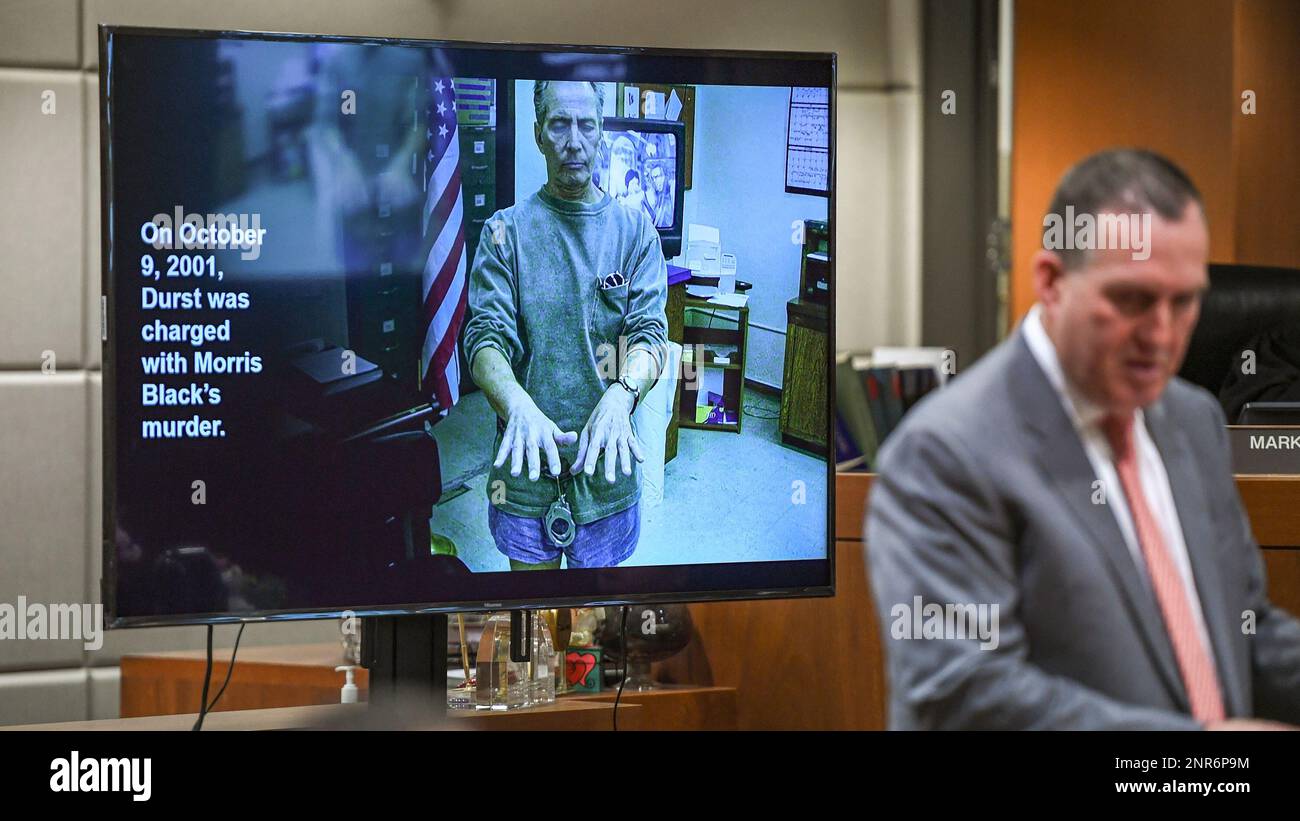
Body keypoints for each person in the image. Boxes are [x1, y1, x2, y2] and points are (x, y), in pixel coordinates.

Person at [866, 148, 1300, 730]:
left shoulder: (1193, 420)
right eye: (1132, 300)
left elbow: (1240, 628)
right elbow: (963, 696)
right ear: (1051, 281)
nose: (1163, 335)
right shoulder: (944, 453)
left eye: (1184, 301)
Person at [462, 80, 668, 571]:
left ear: (600, 132)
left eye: (585, 125)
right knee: (532, 617)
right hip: (524, 474)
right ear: (538, 134)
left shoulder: (635, 231)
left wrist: (623, 394)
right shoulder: (504, 232)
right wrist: (516, 404)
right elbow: (484, 339)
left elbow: (650, 337)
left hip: (607, 475)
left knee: (593, 618)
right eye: (558, 124)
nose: (573, 141)